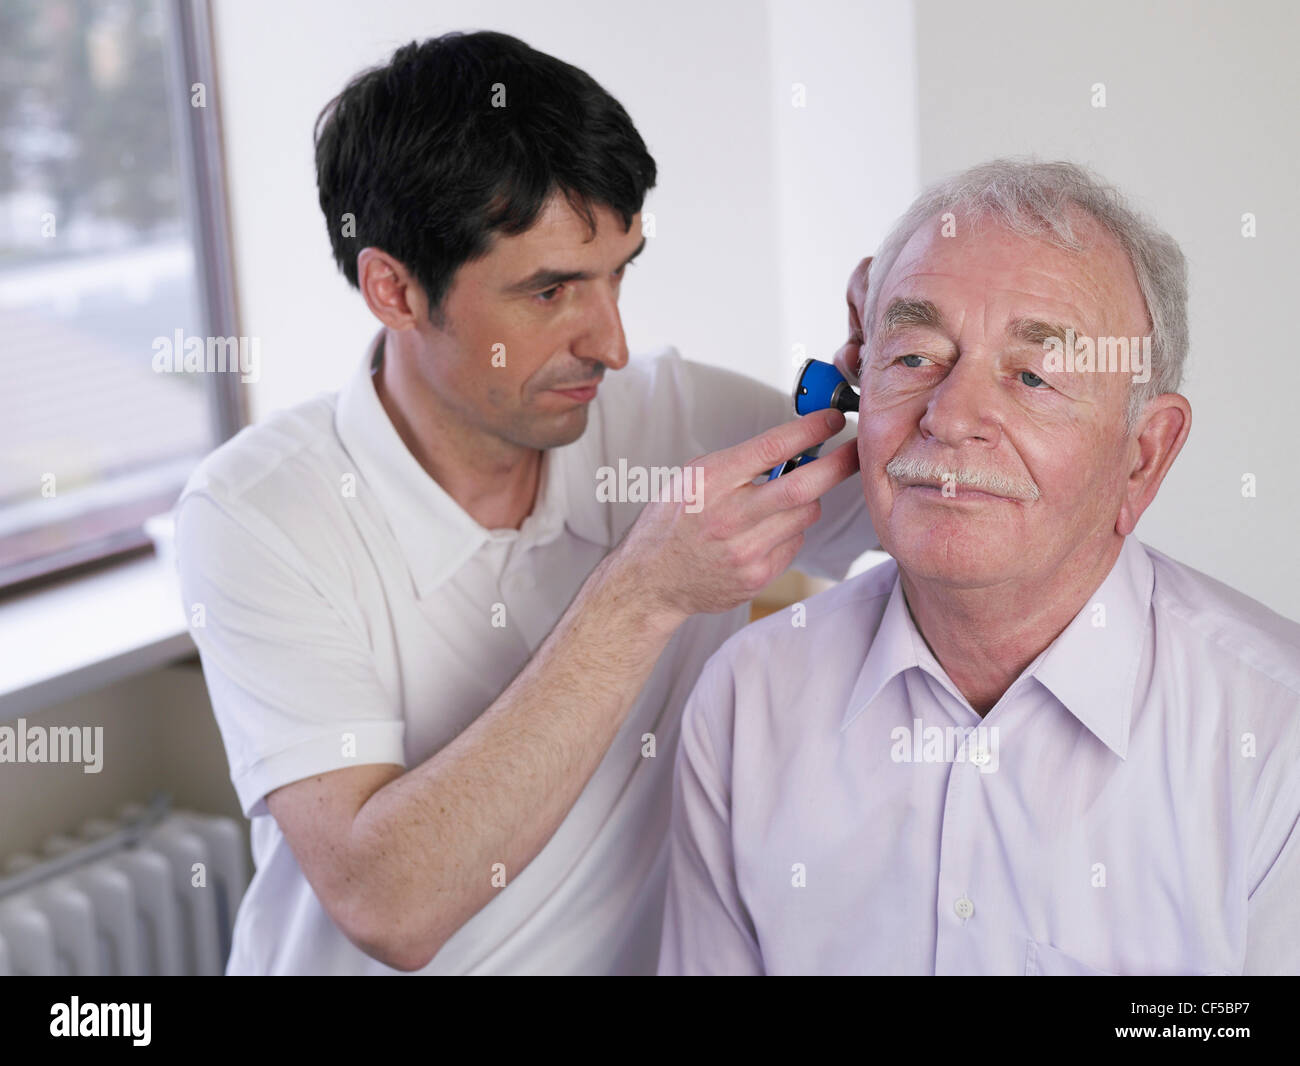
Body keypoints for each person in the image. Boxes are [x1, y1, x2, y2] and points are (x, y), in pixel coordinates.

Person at [173, 30, 875, 975]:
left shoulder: (677, 417)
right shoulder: (256, 512)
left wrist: (914, 352)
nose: (611, 344)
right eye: (549, 291)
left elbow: (917, 499)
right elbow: (390, 902)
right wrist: (646, 590)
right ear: (394, 288)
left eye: (619, 272)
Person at [659, 157, 1300, 976]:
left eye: (1033, 375)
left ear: (1143, 455)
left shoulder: (1276, 739)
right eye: (915, 358)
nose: (951, 416)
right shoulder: (750, 698)